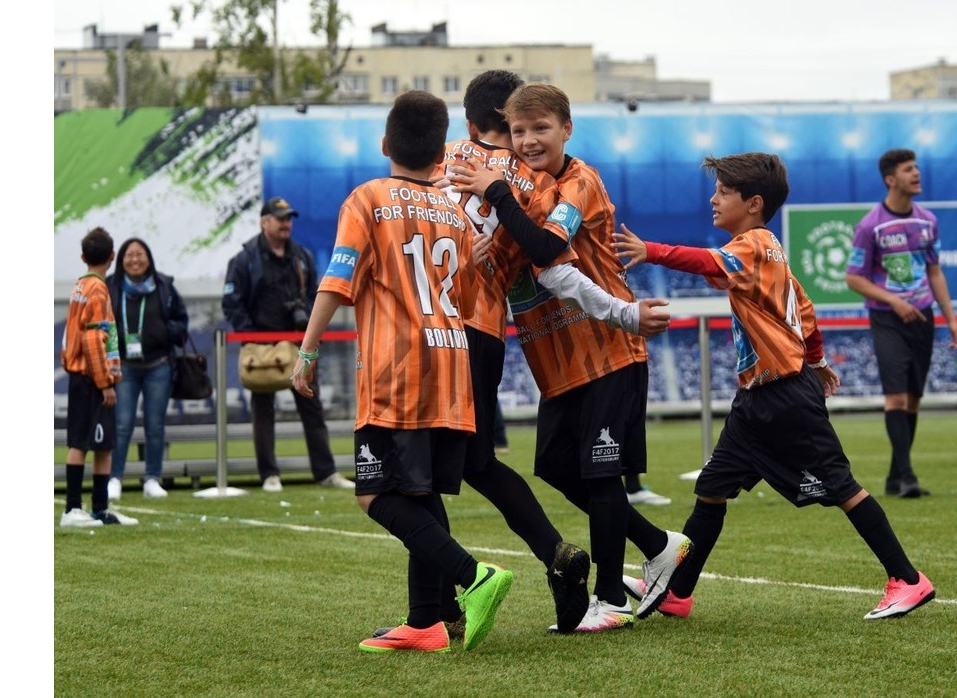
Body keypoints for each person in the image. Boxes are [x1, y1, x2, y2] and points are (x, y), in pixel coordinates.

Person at [612, 152, 935, 621]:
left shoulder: (755, 244)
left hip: (784, 394)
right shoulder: (770, 252)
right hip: (756, 398)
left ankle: (907, 579)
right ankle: (678, 592)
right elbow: (805, 310)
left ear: (754, 203)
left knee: (841, 486)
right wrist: (818, 361)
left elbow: (707, 262)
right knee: (712, 488)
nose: (713, 199)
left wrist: (652, 250)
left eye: (723, 192)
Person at [448, 83, 691, 632]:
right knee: (555, 466)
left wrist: (496, 192)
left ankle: (610, 599)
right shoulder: (522, 190)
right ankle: (658, 545)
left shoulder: (578, 182)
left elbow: (548, 249)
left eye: (541, 129)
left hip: (606, 349)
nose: (529, 140)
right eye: (519, 131)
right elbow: (511, 253)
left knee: (601, 475)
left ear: (567, 129)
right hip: (555, 361)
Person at [291, 90, 513, 654]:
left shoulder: (367, 199)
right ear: (441, 155)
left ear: (385, 143)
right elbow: (465, 297)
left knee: (374, 494)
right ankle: (426, 622)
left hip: (398, 368)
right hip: (452, 360)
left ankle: (474, 576)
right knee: (422, 492)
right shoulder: (454, 214)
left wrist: (307, 351)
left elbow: (338, 280)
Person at [844, 148, 957, 499]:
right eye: (909, 169)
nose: (916, 174)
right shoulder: (870, 225)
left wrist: (951, 319)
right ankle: (908, 476)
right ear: (890, 179)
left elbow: (934, 271)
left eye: (916, 168)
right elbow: (854, 278)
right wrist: (894, 300)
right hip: (887, 319)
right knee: (895, 397)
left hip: (923, 317)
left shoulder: (928, 221)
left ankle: (894, 476)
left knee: (913, 400)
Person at [223, 195, 355, 493]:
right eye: (280, 218)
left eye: (288, 219)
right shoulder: (244, 259)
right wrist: (251, 336)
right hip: (262, 346)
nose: (286, 224)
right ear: (264, 222)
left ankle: (326, 472)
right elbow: (232, 303)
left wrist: (306, 325)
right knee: (263, 411)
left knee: (312, 408)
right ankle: (269, 474)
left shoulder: (301, 256)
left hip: (297, 345)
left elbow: (314, 296)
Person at [60, 227, 138, 527]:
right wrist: (105, 382)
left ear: (83, 257)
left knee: (102, 444)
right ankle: (72, 509)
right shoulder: (97, 289)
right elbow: (94, 339)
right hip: (93, 377)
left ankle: (100, 509)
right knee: (82, 443)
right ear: (113, 256)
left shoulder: (80, 285)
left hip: (82, 374)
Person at [106, 238, 189, 500]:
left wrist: (165, 332)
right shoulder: (111, 286)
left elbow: (181, 320)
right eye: (129, 255)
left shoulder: (163, 285)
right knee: (122, 424)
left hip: (158, 366)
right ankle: (114, 478)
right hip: (124, 367)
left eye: (140, 254)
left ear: (149, 258)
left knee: (155, 425)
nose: (135, 260)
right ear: (121, 260)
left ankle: (152, 478)